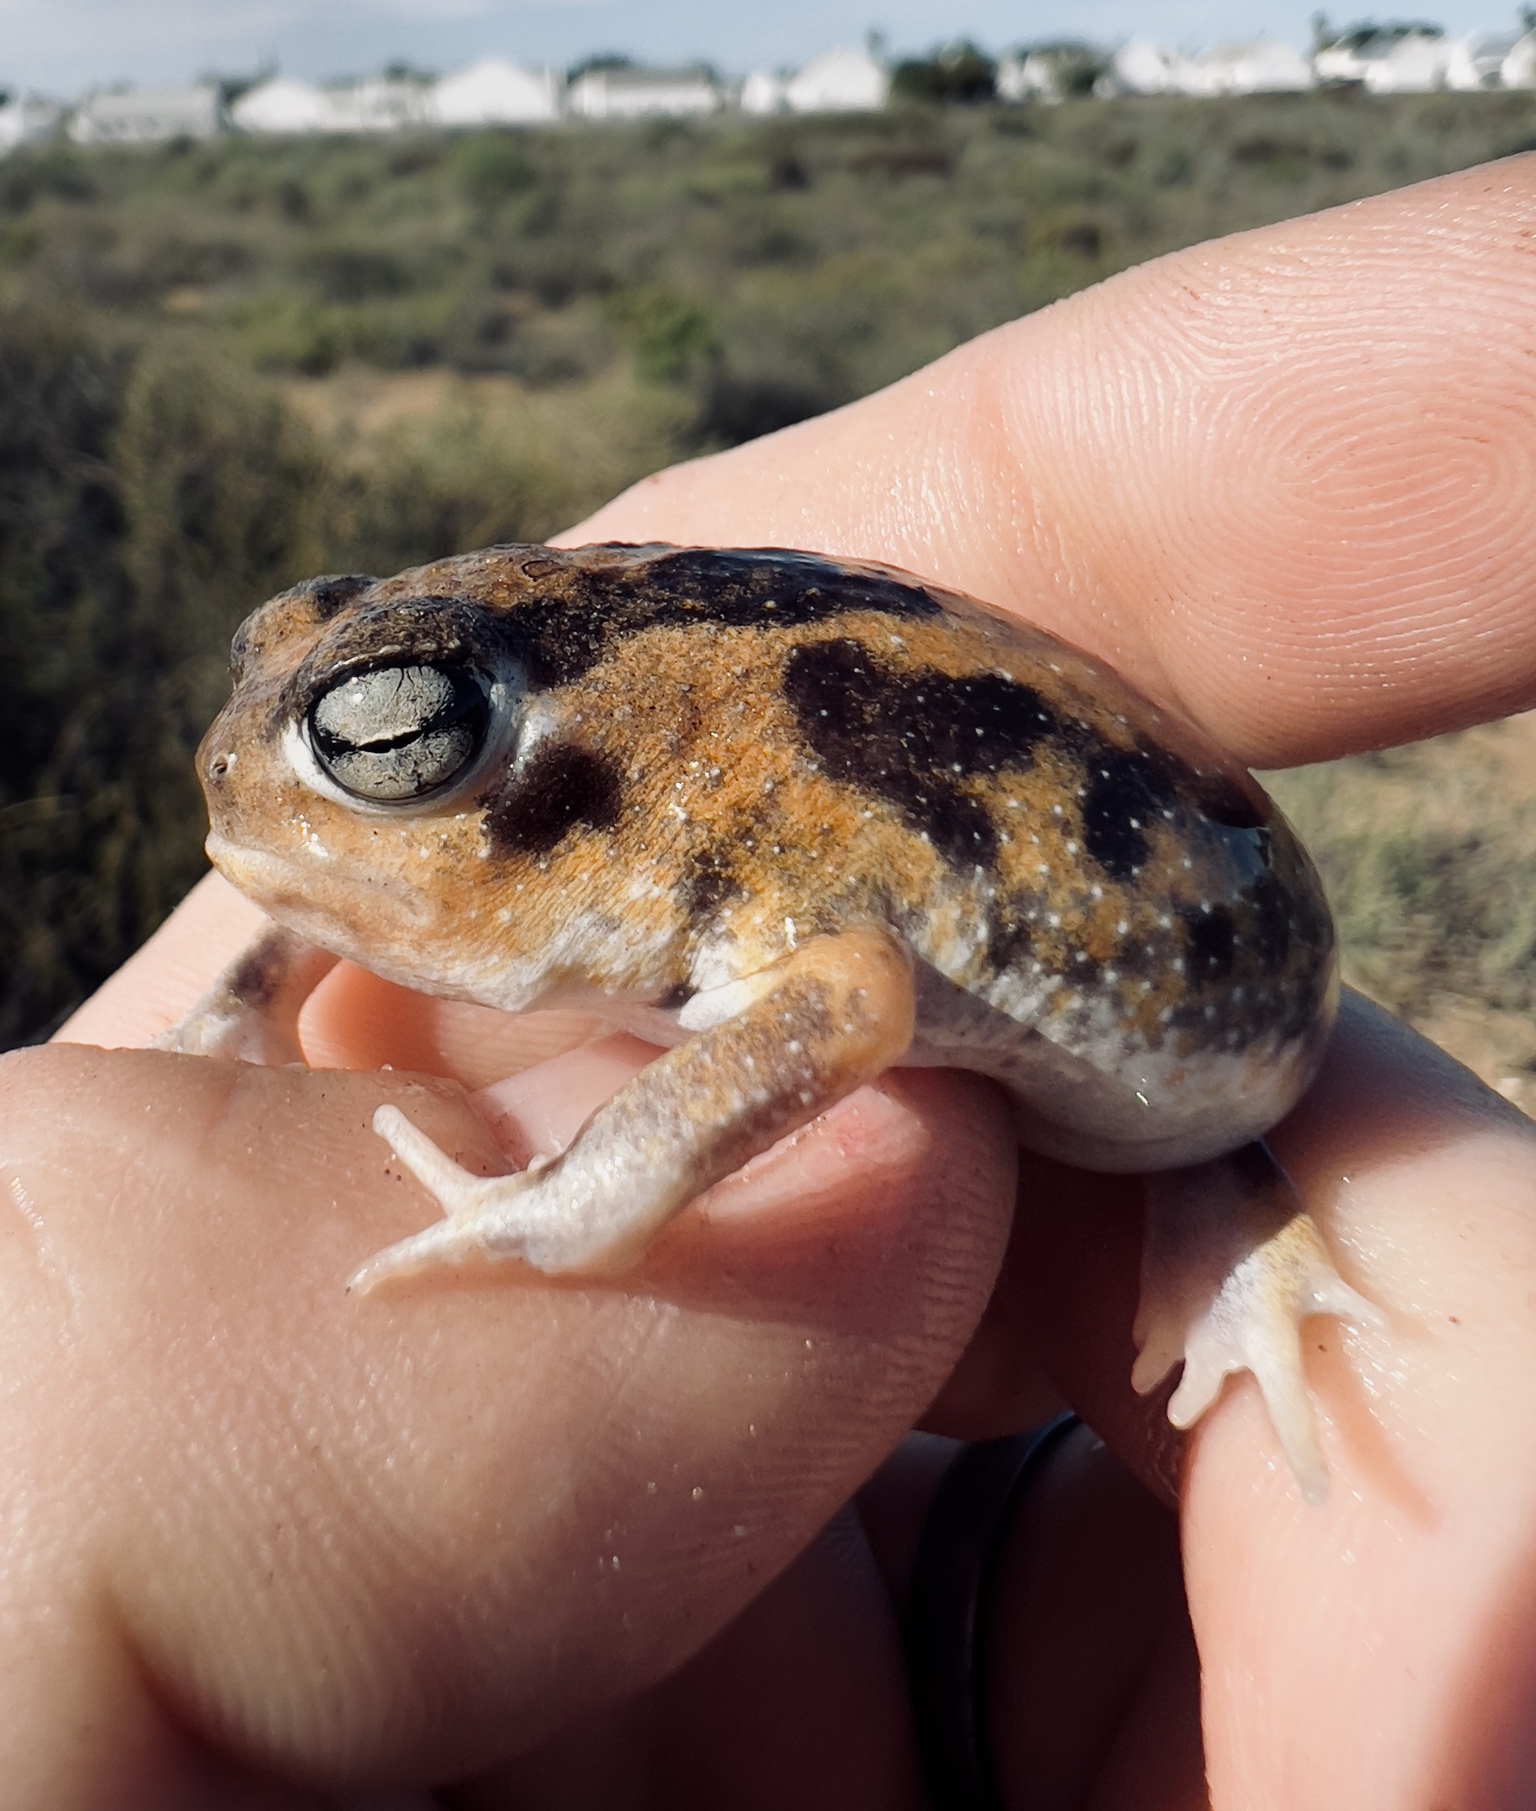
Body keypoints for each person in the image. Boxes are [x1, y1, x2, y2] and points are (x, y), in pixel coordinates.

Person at [7, 154, 1536, 1807]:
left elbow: (841, 1007)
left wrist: (585, 1194)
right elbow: (331, 877)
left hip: (1209, 1026)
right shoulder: (563, 816)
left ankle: (1243, 1244)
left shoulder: (723, 852)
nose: (237, 771)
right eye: (312, 677)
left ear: (592, 787)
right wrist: (246, 988)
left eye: (387, 737)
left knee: (1269, 1284)